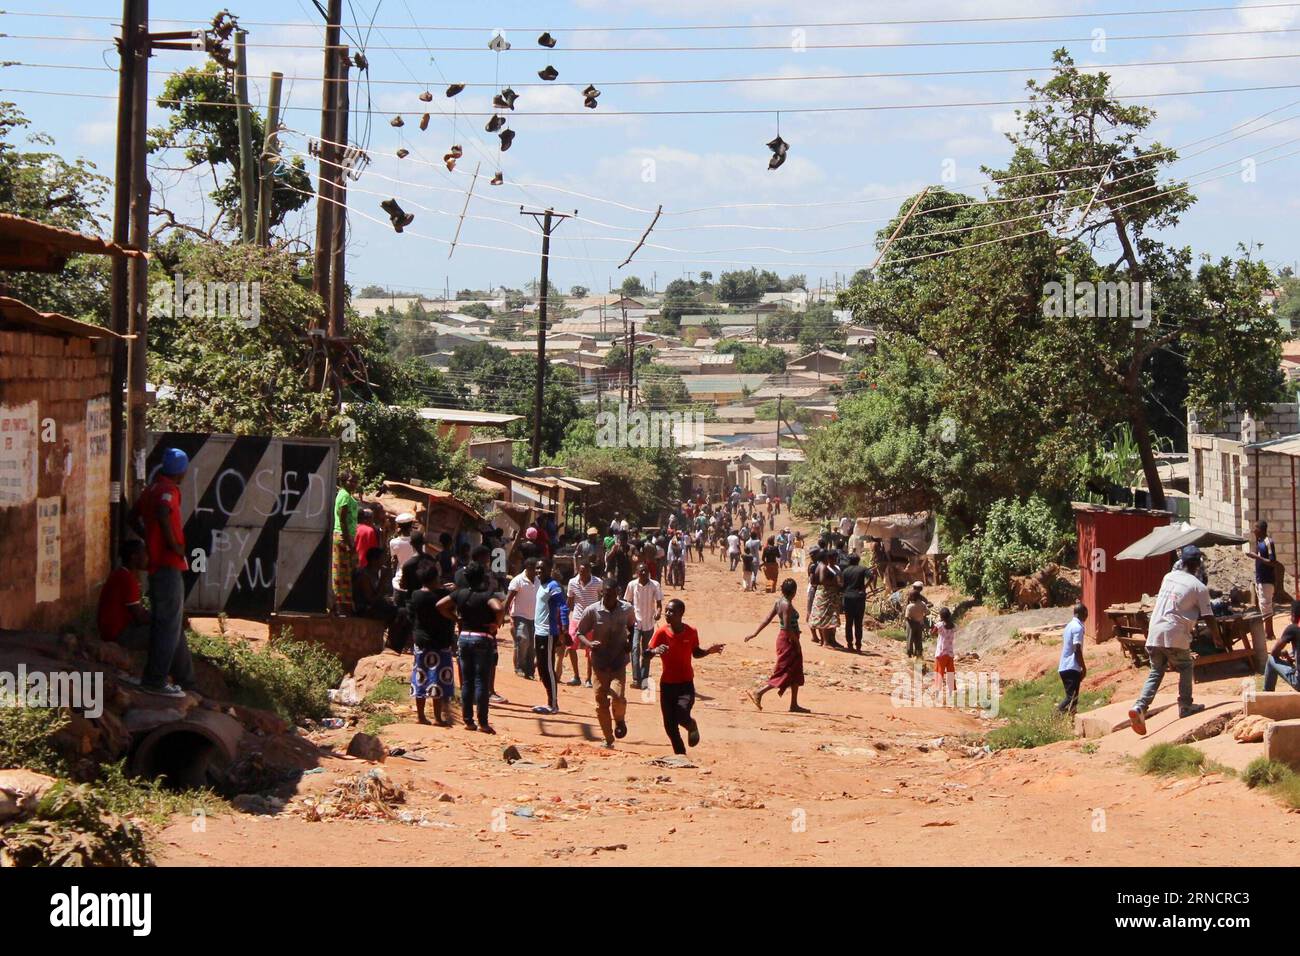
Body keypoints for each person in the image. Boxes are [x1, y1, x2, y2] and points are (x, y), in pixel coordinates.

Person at [126, 447, 195, 698]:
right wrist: (172, 544)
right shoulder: (168, 491)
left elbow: (132, 517)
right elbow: (164, 512)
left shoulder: (151, 489)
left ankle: (185, 680)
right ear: (182, 471)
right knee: (168, 626)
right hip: (168, 565)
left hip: (158, 565)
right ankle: (155, 680)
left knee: (168, 624)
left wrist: (149, 537)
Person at [1129, 546, 1214, 734]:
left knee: (1156, 671)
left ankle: (1140, 707)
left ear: (1181, 561)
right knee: (1185, 666)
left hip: (1154, 632)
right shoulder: (1198, 587)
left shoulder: (1168, 577)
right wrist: (1217, 637)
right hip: (1174, 633)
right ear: (1198, 564)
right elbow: (1208, 616)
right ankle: (1185, 705)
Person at [647, 599, 724, 755]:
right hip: (667, 685)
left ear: (681, 614)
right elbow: (646, 653)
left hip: (685, 684)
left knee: (682, 714)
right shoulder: (661, 632)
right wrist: (654, 651)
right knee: (669, 726)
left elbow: (695, 653)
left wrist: (709, 651)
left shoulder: (691, 632)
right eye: (666, 610)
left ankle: (691, 725)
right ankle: (680, 755)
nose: (667, 614)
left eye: (671, 611)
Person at [438, 561, 504, 733]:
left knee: (467, 681)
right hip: (483, 639)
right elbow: (498, 608)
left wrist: (456, 619)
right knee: (482, 681)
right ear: (482, 577)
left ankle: (468, 721)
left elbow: (440, 606)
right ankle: (483, 723)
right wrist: (496, 624)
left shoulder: (460, 594)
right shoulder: (487, 595)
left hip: (464, 639)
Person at [575, 580, 636, 749]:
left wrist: (630, 642)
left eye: (611, 594)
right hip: (599, 663)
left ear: (617, 593)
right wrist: (588, 643)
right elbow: (579, 632)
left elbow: (633, 627)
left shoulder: (626, 609)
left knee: (617, 696)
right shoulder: (592, 611)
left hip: (618, 662)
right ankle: (608, 738)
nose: (608, 597)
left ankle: (620, 719)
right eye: (605, 594)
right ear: (601, 594)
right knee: (601, 701)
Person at [744, 578, 807, 713]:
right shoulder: (786, 605)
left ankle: (794, 704)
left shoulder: (779, 602)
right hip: (788, 640)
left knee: (795, 671)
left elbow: (767, 619)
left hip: (786, 638)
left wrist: (755, 633)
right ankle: (759, 692)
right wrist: (797, 643)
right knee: (784, 671)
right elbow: (787, 627)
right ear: (794, 591)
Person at [410, 563, 456, 726]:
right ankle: (437, 717)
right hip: (440, 642)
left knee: (421, 677)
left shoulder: (416, 595)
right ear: (434, 578)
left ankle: (421, 716)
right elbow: (452, 601)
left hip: (422, 641)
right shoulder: (442, 594)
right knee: (438, 679)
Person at [532, 561, 569, 714]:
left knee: (547, 668)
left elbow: (563, 606)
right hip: (539, 632)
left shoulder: (553, 586)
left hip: (548, 633)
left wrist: (564, 627)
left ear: (549, 570)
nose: (539, 570)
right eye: (537, 568)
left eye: (542, 567)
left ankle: (553, 704)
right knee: (541, 669)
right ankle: (549, 702)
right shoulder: (541, 585)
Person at [98, 539, 150, 646]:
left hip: (116, 630)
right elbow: (139, 617)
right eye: (144, 553)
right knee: (169, 633)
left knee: (171, 631)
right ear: (134, 557)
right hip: (118, 634)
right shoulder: (126, 579)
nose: (147, 558)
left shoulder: (123, 575)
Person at [625, 563, 663, 691]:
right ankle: (636, 678)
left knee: (647, 652)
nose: (643, 573)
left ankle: (644, 678)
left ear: (648, 572)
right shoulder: (632, 585)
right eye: (640, 571)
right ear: (636, 572)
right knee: (635, 648)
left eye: (645, 571)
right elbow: (627, 603)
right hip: (636, 622)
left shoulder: (655, 585)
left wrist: (658, 613)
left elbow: (659, 604)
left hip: (649, 623)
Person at [565, 562, 603, 687]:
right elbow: (570, 602)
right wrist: (565, 617)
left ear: (589, 571)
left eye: (585, 571)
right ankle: (576, 676)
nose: (582, 574)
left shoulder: (598, 582)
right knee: (570, 646)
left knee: (591, 649)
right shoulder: (572, 582)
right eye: (580, 571)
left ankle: (588, 678)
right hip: (576, 618)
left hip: (592, 620)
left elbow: (603, 598)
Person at [504, 558, 541, 679]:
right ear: (528, 568)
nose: (536, 571)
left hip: (535, 617)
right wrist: (506, 616)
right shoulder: (518, 580)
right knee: (523, 640)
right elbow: (509, 599)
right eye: (534, 568)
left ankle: (529, 670)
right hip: (520, 616)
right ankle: (519, 667)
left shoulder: (539, 580)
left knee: (533, 645)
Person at [331, 471, 360, 614]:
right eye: (351, 481)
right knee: (342, 574)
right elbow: (342, 520)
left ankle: (345, 605)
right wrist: (349, 543)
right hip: (343, 537)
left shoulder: (348, 496)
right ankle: (340, 607)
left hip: (347, 537)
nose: (354, 484)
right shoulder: (344, 496)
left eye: (356, 481)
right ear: (344, 481)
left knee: (347, 572)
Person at [1251, 519, 1279, 645]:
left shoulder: (1268, 542)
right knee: (1263, 606)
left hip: (1267, 579)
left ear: (1261, 530)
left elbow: (1273, 562)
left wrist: (1256, 557)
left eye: (1255, 528)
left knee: (1266, 605)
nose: (1253, 531)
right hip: (1260, 579)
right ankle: (1268, 633)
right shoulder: (1259, 542)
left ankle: (1270, 634)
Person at [1057, 603, 1088, 715]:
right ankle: (1054, 717)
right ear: (1083, 614)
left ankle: (1072, 720)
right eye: (1086, 614)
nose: (1086, 617)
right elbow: (1077, 649)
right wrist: (1083, 668)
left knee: (1073, 698)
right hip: (1071, 667)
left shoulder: (1069, 626)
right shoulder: (1077, 627)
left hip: (1065, 666)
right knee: (1071, 698)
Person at [809, 549, 844, 648]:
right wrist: (835, 583)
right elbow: (822, 580)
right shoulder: (823, 567)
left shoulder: (819, 566)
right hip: (825, 595)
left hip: (826, 595)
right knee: (825, 618)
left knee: (827, 617)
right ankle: (826, 642)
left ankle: (829, 640)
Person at [1264, 600, 1300, 693]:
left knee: (1271, 660)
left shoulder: (1293, 628)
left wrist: (1282, 654)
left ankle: (1267, 694)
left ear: (1293, 615)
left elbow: (1274, 652)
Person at [840, 553, 869, 652]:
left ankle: (849, 644)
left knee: (849, 622)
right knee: (858, 623)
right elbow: (872, 576)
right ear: (858, 560)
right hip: (859, 598)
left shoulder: (845, 571)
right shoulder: (863, 569)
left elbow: (842, 584)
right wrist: (864, 588)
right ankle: (858, 645)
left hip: (848, 597)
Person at [904, 582, 929, 660]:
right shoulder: (921, 601)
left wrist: (908, 621)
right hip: (919, 622)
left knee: (910, 638)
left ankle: (909, 653)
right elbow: (927, 609)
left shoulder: (911, 596)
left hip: (911, 622)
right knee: (918, 638)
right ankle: (918, 653)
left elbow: (907, 614)